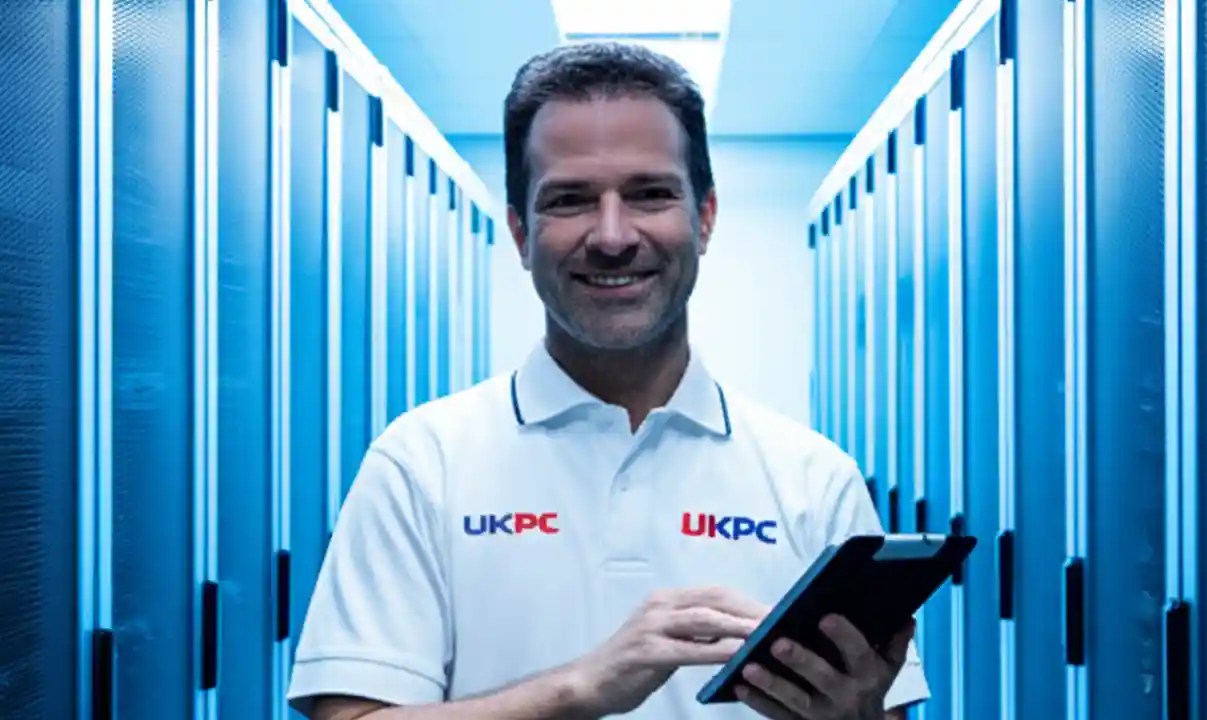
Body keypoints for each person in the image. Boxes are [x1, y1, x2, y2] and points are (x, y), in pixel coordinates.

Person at [286, 41, 929, 720]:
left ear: (704, 218)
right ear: (520, 232)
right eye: (570, 201)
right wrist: (585, 688)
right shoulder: (422, 462)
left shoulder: (813, 477)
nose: (614, 235)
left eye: (650, 194)